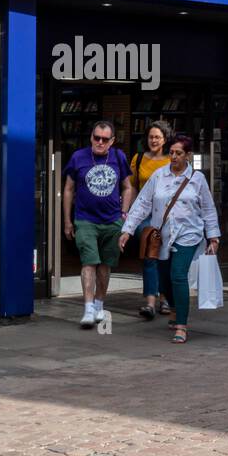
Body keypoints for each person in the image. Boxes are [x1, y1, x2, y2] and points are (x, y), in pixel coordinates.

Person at [119, 134, 220, 344]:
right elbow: (142, 203)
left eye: (178, 153)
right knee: (164, 279)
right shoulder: (158, 176)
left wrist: (213, 236)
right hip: (162, 235)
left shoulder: (197, 179)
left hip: (189, 233)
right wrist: (127, 230)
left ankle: (181, 325)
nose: (173, 157)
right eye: (172, 152)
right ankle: (174, 308)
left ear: (188, 155)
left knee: (178, 275)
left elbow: (208, 209)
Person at [63, 120, 135, 329]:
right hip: (85, 219)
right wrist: (67, 220)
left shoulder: (119, 157)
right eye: (97, 138)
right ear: (91, 137)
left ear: (112, 141)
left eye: (105, 139)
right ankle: (87, 308)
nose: (100, 142)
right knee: (89, 262)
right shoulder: (79, 157)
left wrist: (125, 213)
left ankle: (99, 304)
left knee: (105, 265)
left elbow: (127, 187)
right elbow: (68, 189)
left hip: (112, 220)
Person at [131, 120, 174, 320]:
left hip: (167, 214)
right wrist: (127, 213)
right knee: (150, 253)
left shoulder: (171, 160)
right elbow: (131, 187)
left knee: (164, 255)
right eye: (151, 137)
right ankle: (150, 302)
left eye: (157, 137)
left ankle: (165, 298)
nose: (153, 140)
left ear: (165, 139)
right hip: (146, 214)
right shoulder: (138, 159)